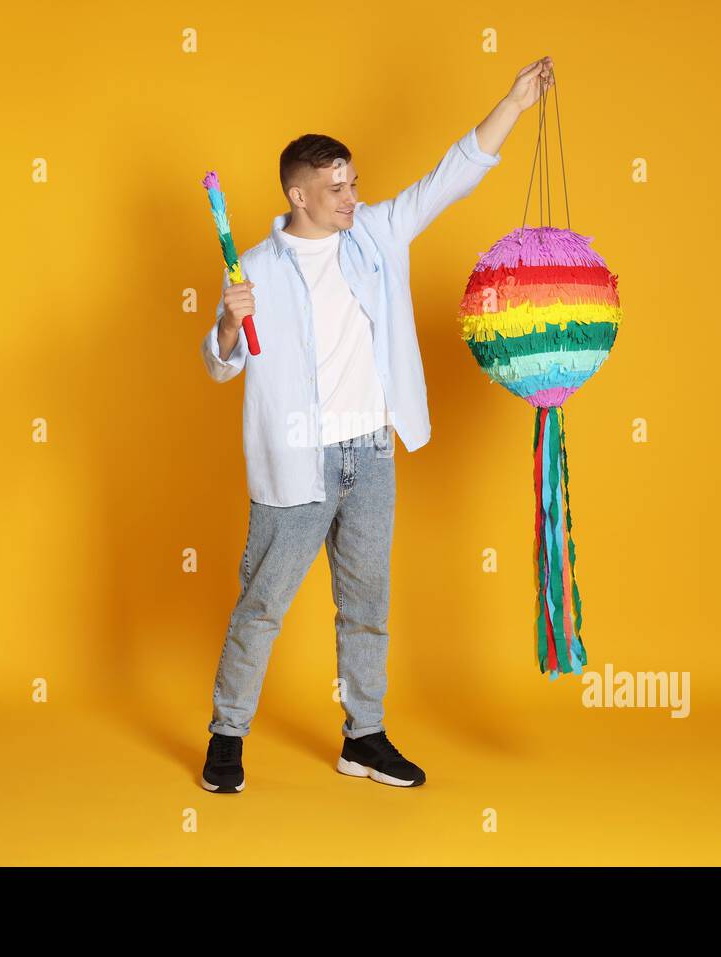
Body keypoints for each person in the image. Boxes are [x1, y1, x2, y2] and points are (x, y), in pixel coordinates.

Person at [198, 57, 555, 793]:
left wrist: (515, 103)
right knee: (262, 604)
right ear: (298, 193)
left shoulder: (378, 236)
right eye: (336, 189)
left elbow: (454, 172)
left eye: (354, 183)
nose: (352, 196)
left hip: (371, 453)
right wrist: (229, 328)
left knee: (366, 607)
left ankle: (364, 736)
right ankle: (227, 734)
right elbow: (219, 364)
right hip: (296, 461)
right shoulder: (255, 268)